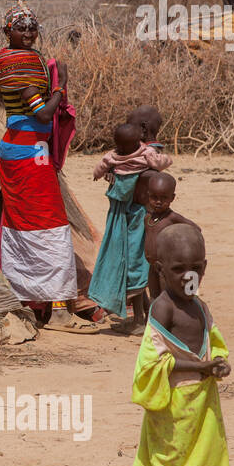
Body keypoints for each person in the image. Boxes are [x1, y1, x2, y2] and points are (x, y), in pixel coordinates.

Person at [126, 223, 232, 466]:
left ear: (205, 267)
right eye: (177, 269)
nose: (188, 276)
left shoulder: (200, 307)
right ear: (160, 269)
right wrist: (199, 368)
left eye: (196, 268)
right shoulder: (163, 307)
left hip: (198, 410)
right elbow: (151, 366)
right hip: (170, 411)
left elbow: (212, 347)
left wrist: (217, 363)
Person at [0, 2, 99, 333]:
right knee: (50, 226)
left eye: (32, 27)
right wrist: (60, 85)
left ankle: (34, 303)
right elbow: (42, 114)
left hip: (23, 150)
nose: (27, 33)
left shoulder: (17, 60)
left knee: (26, 225)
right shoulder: (17, 66)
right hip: (27, 152)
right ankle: (57, 312)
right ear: (7, 31)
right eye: (20, 28)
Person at [89, 123, 172, 329]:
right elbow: (163, 163)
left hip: (123, 217)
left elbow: (99, 168)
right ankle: (139, 320)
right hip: (138, 217)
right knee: (136, 263)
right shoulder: (147, 162)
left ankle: (139, 319)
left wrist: (99, 174)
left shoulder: (113, 158)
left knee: (131, 263)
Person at [143, 171, 200, 306]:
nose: (158, 202)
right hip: (152, 265)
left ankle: (170, 325)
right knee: (154, 296)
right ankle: (153, 325)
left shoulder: (172, 218)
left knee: (167, 296)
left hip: (166, 266)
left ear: (172, 198)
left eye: (164, 198)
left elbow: (195, 229)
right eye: (154, 197)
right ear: (148, 195)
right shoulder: (148, 218)